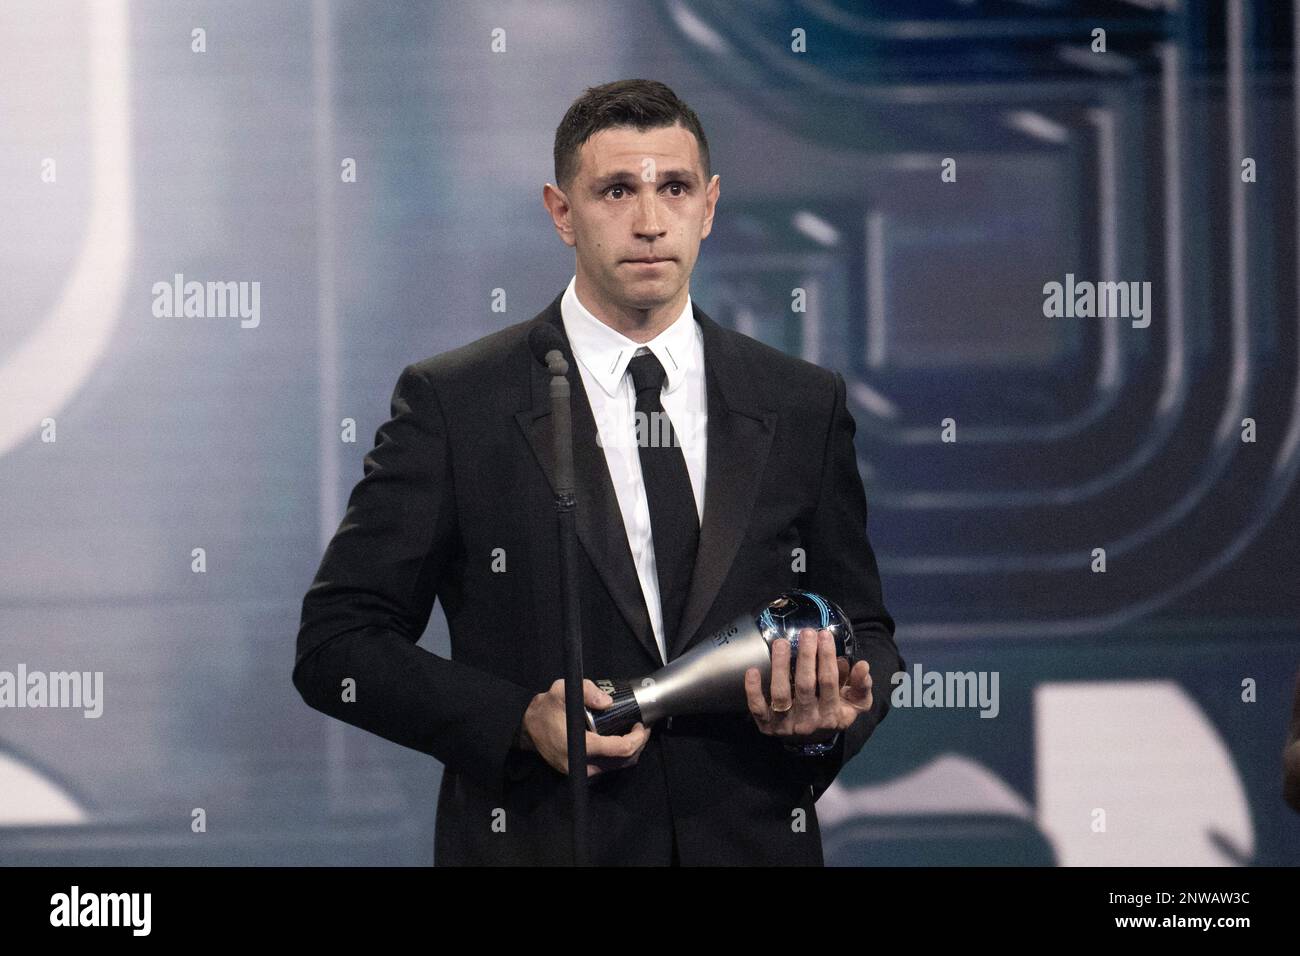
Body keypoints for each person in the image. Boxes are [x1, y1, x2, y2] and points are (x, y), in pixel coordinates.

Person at [293, 78, 902, 865]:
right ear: (561, 212)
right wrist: (517, 720)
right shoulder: (458, 402)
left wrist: (837, 709)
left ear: (708, 207)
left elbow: (868, 630)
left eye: (674, 188)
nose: (650, 222)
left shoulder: (799, 402)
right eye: (616, 190)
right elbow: (338, 644)